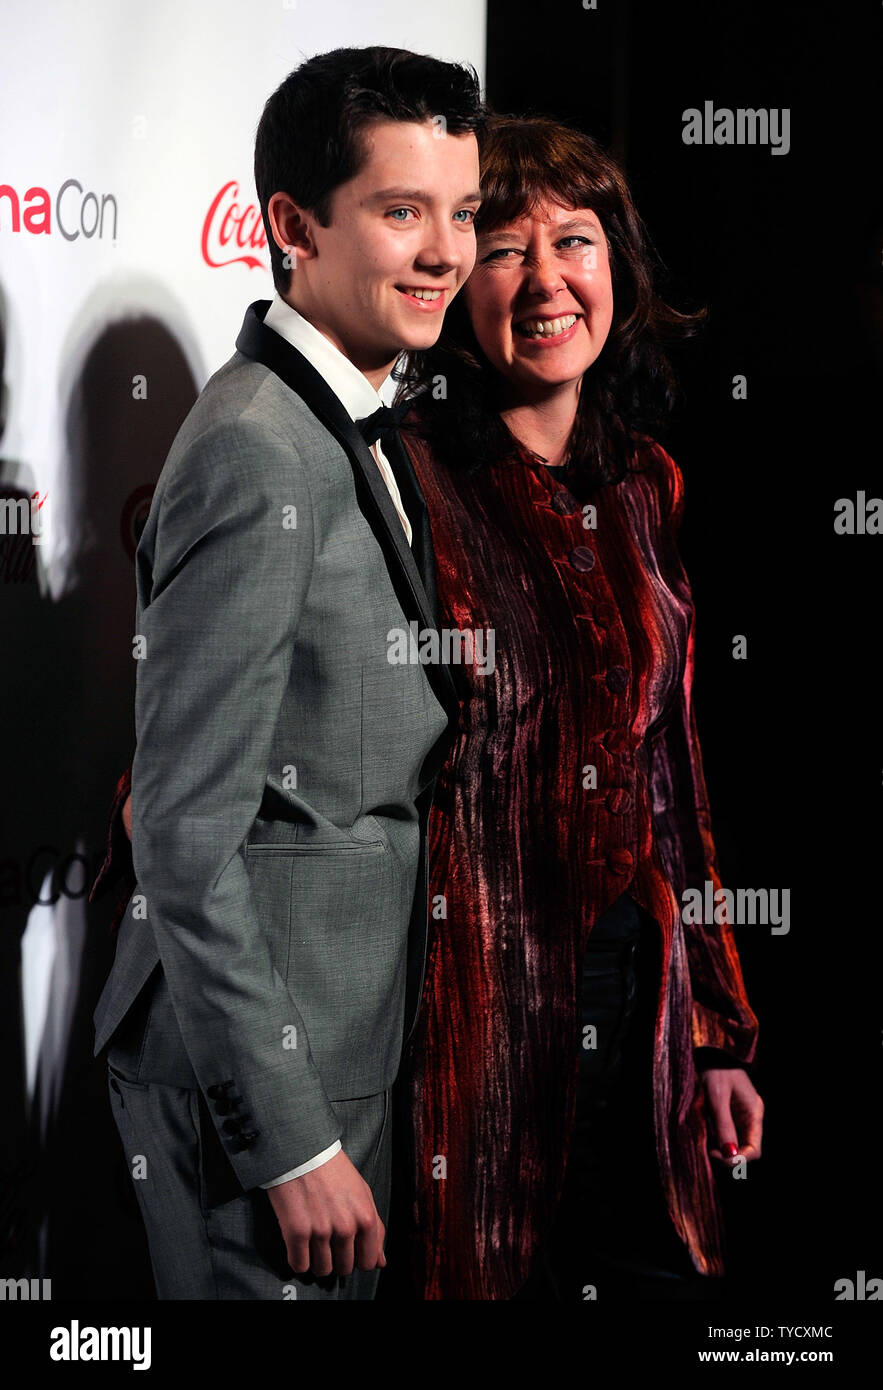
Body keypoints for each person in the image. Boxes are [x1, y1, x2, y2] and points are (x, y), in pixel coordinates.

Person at [88, 46, 484, 1300]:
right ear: (292, 228)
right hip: (258, 1099)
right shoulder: (258, 451)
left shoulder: (362, 419)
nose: (446, 253)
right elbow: (187, 830)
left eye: (462, 213)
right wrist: (291, 1133)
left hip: (340, 1054)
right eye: (402, 211)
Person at [392, 114, 764, 1300]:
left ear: (619, 268)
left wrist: (713, 1033)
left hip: (639, 1012)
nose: (546, 278)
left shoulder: (645, 479)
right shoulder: (403, 478)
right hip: (473, 1028)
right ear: (457, 286)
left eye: (575, 240)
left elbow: (670, 771)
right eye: (504, 248)